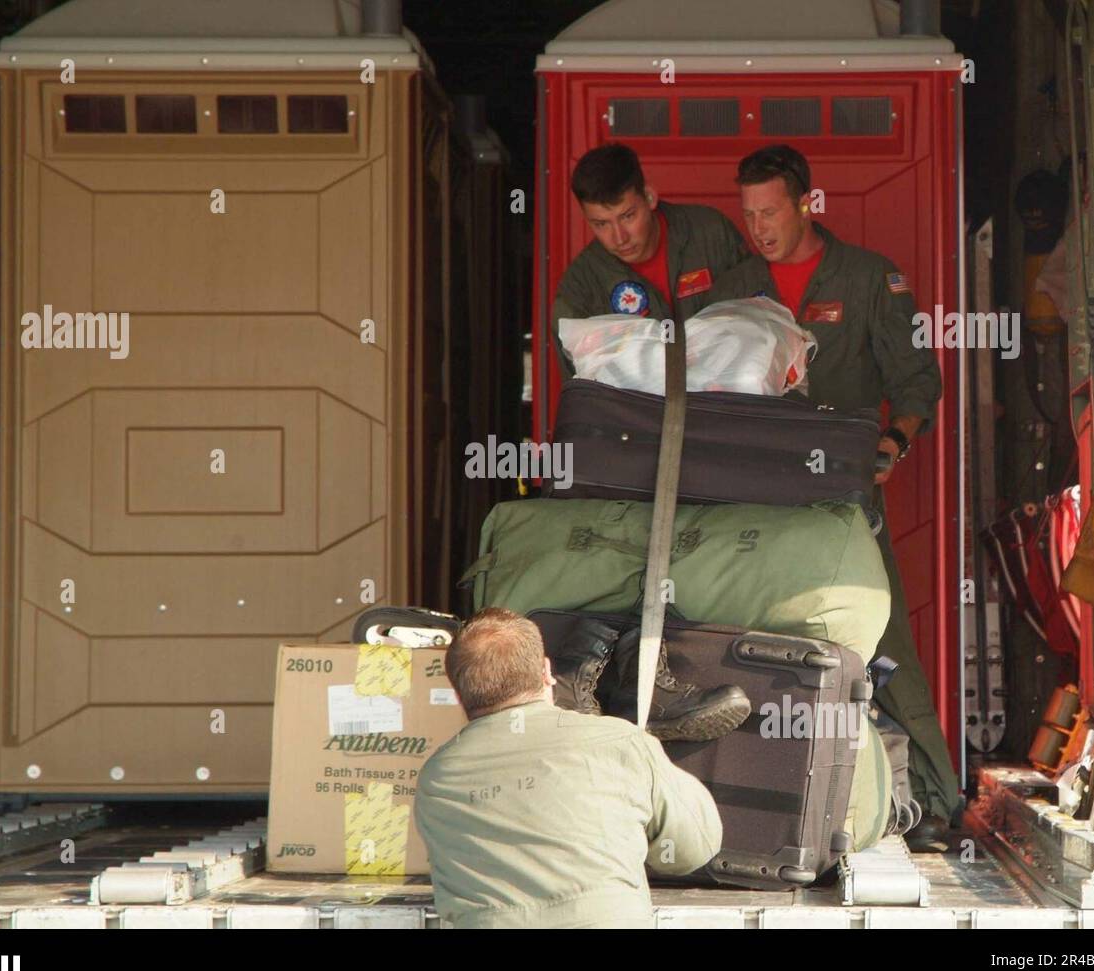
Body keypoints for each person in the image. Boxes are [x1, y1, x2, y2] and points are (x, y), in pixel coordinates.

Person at [708, 144, 961, 851]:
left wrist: (894, 444)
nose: (759, 227)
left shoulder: (870, 277)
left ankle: (936, 797)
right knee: (742, 638)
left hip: (844, 495)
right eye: (749, 214)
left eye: (771, 212)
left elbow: (917, 382)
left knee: (883, 639)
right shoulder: (734, 287)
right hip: (757, 499)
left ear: (806, 204)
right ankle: (755, 803)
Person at [412, 608, 730, 929]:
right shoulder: (620, 742)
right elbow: (694, 849)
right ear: (547, 671)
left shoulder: (436, 777)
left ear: (457, 694)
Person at [551, 142, 750, 380]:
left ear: (649, 197)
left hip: (722, 407)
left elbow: (755, 329)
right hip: (637, 416)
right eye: (601, 224)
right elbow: (584, 396)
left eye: (627, 216)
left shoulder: (711, 234)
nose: (619, 238)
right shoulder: (580, 288)